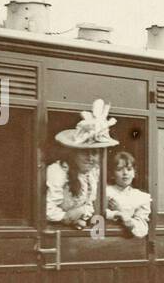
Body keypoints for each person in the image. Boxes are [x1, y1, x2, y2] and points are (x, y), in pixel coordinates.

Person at [46, 99, 118, 228]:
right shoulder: (58, 170)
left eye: (94, 153)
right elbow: (48, 209)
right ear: (73, 153)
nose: (91, 158)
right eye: (85, 153)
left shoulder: (92, 172)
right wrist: (66, 217)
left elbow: (89, 205)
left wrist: (82, 213)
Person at [106, 150, 151, 238]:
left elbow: (141, 230)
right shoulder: (106, 192)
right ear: (112, 174)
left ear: (134, 173)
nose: (125, 173)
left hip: (129, 242)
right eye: (119, 169)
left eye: (129, 169)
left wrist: (121, 212)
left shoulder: (141, 197)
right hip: (107, 238)